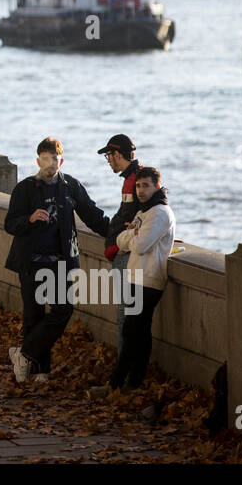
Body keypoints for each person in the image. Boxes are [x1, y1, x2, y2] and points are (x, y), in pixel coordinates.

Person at [4, 137, 109, 384]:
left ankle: (24, 354)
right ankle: (39, 371)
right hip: (31, 261)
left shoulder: (70, 186)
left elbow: (93, 216)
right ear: (38, 160)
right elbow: (10, 224)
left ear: (60, 161)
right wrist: (28, 219)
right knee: (34, 314)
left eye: (54, 159)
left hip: (62, 261)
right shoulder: (25, 188)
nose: (50, 164)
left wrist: (118, 232)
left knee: (63, 310)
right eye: (45, 159)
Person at [89, 167, 175, 400]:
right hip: (137, 277)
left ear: (157, 186)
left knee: (131, 330)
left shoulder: (159, 213)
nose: (141, 190)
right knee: (140, 331)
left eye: (146, 185)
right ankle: (135, 382)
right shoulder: (144, 212)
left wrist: (132, 234)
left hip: (149, 279)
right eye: (138, 186)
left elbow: (140, 245)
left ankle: (115, 385)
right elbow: (120, 240)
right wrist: (132, 234)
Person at [98, 133, 144, 366]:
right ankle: (127, 369)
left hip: (127, 255)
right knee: (129, 315)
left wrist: (115, 243)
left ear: (117, 154)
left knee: (125, 315)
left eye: (108, 156)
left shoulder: (134, 179)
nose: (108, 161)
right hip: (126, 252)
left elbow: (130, 217)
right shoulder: (136, 176)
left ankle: (124, 371)